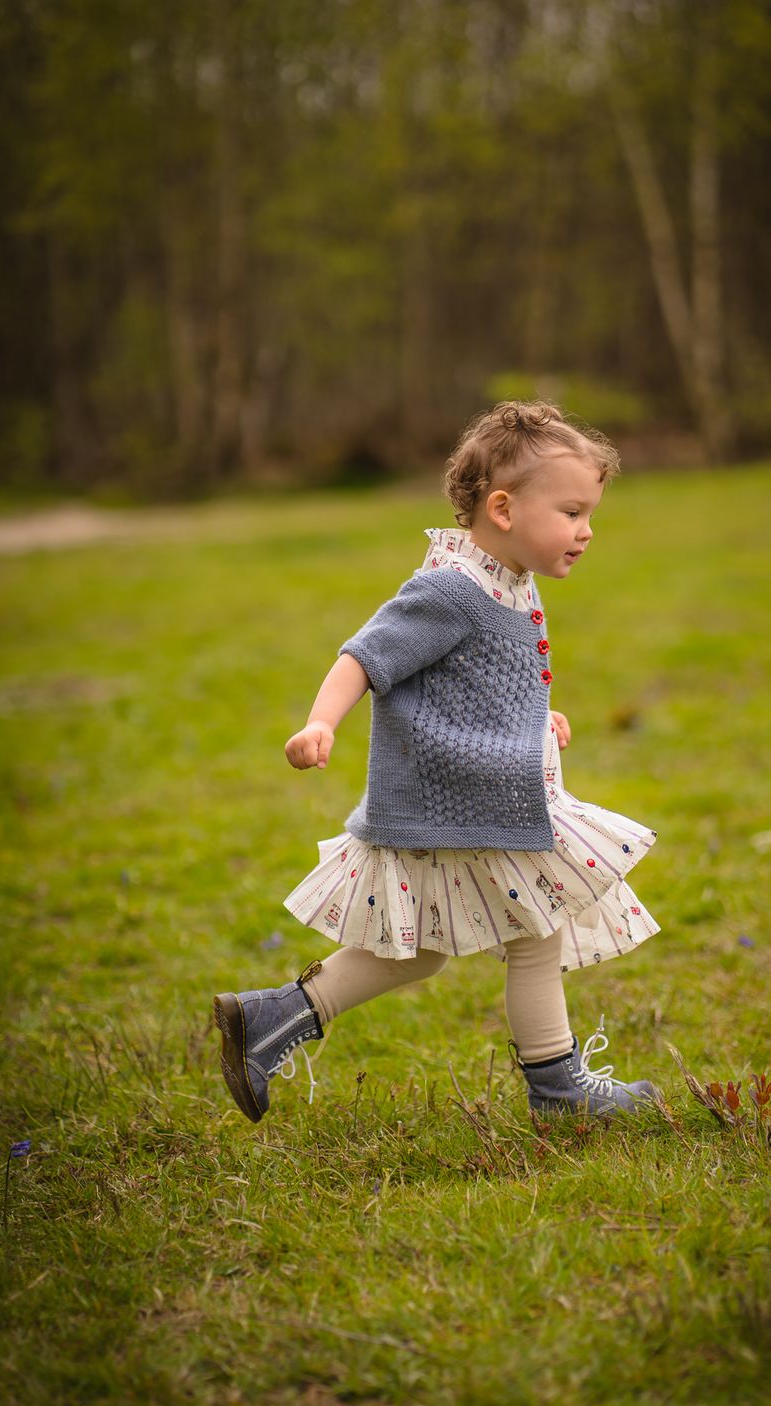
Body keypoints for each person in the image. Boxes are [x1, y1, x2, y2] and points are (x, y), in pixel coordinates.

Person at [213, 400, 662, 1124]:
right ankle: (558, 1092)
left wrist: (533, 720)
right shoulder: (451, 588)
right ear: (503, 509)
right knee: (534, 934)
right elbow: (366, 656)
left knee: (424, 950)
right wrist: (320, 723)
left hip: (475, 806)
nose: (586, 531)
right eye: (572, 512)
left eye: (590, 514)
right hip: (461, 809)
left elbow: (473, 683)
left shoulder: (506, 578)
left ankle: (273, 1018)